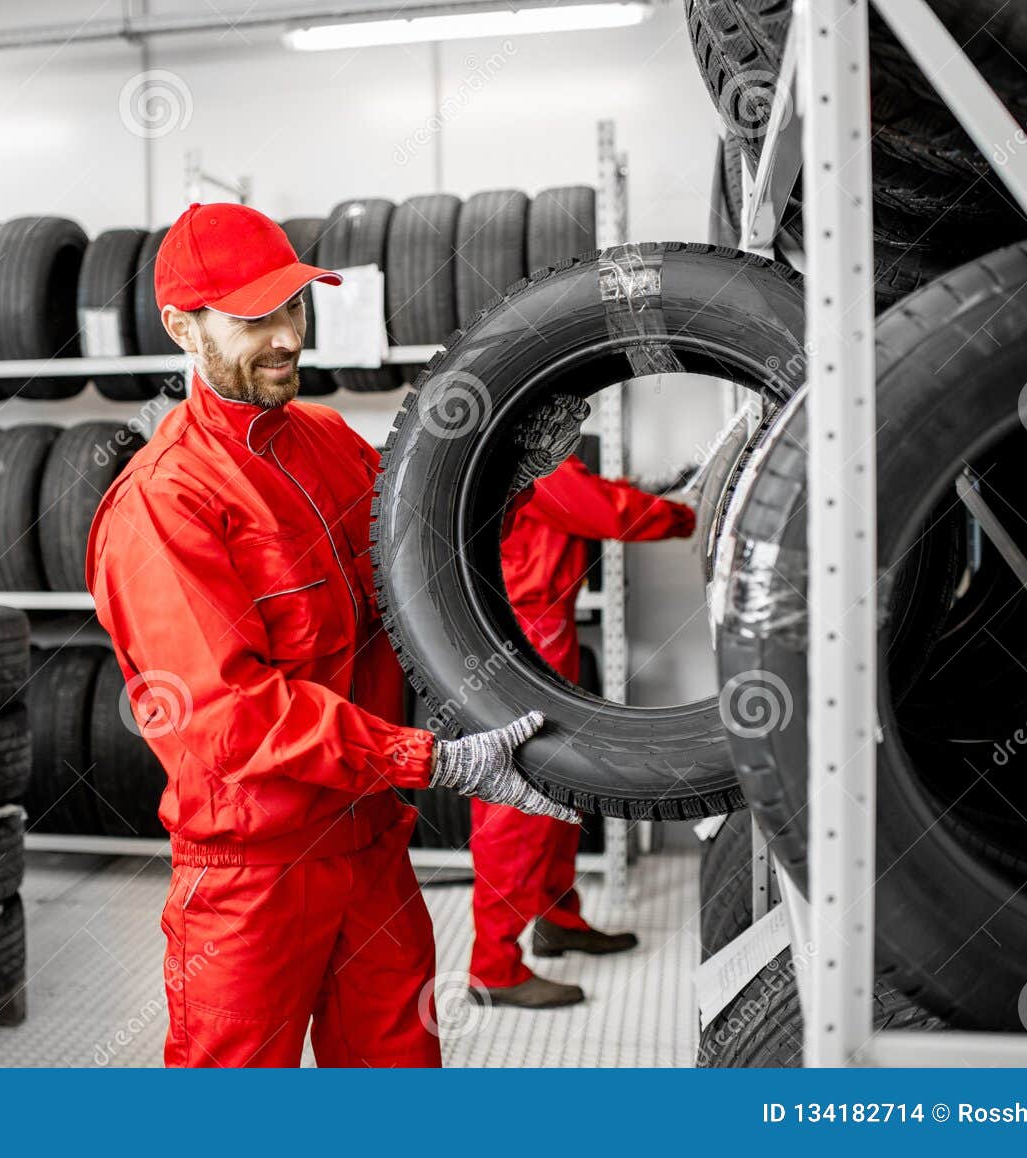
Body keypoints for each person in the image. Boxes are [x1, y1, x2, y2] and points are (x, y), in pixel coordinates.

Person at [85, 201, 578, 1068]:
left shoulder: (328, 441)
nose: (284, 337)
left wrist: (503, 479)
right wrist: (430, 761)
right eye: (252, 318)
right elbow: (230, 717)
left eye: (294, 307)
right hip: (251, 877)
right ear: (181, 327)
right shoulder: (165, 502)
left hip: (372, 850)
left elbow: (421, 570)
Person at [467, 453, 697, 1008]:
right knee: (517, 806)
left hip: (543, 633)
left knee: (558, 786)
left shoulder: (538, 447)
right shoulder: (523, 449)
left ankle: (556, 917)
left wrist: (644, 485)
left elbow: (588, 490)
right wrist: (687, 517)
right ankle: (492, 969)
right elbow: (607, 512)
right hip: (521, 642)